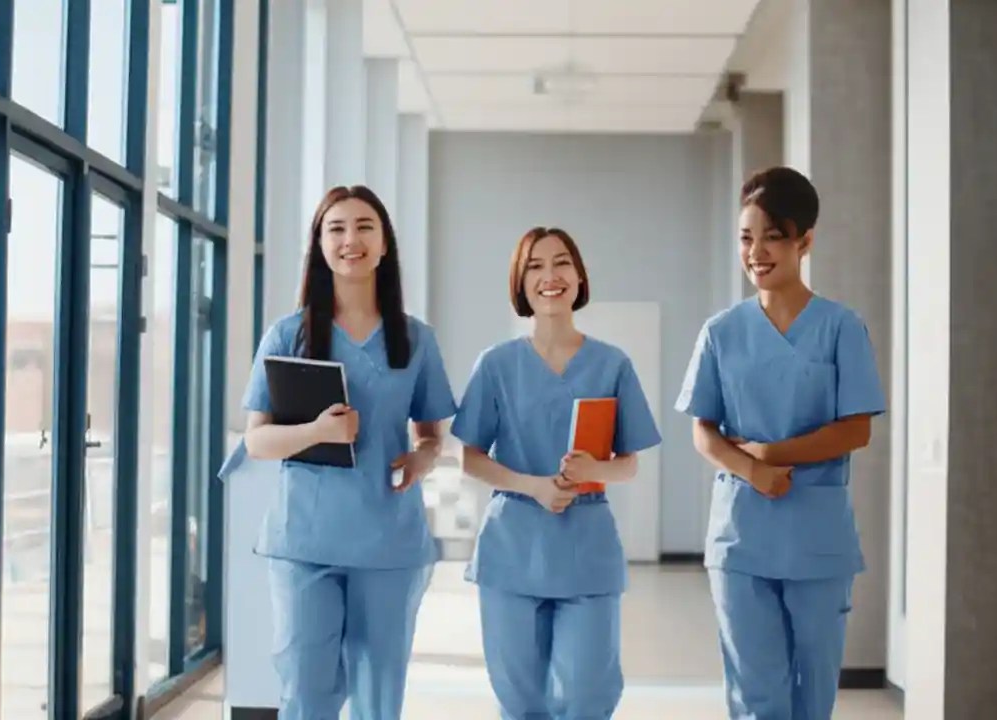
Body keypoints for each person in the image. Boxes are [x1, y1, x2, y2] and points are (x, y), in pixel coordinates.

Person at [230, 185, 457, 719]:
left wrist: (423, 457)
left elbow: (430, 432)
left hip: (387, 540)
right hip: (304, 539)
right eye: (336, 228)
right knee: (306, 692)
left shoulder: (416, 340)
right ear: (319, 245)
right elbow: (257, 440)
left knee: (380, 698)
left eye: (363, 227)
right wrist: (315, 431)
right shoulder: (289, 334)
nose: (350, 239)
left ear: (384, 246)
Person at [674, 166, 886, 719]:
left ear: (804, 241)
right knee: (754, 692)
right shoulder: (721, 332)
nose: (757, 251)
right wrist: (751, 472)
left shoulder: (842, 327)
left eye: (772, 235)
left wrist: (771, 454)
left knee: (812, 694)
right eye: (747, 237)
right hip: (741, 536)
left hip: (817, 537)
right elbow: (704, 429)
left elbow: (855, 429)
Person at [451, 227, 662, 720]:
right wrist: (533, 486)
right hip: (513, 548)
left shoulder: (612, 363)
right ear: (520, 285)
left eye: (562, 262)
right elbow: (469, 456)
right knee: (520, 700)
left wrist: (596, 470)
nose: (550, 276)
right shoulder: (497, 364)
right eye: (535, 266)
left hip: (586, 548)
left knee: (589, 695)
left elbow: (629, 463)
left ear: (580, 276)